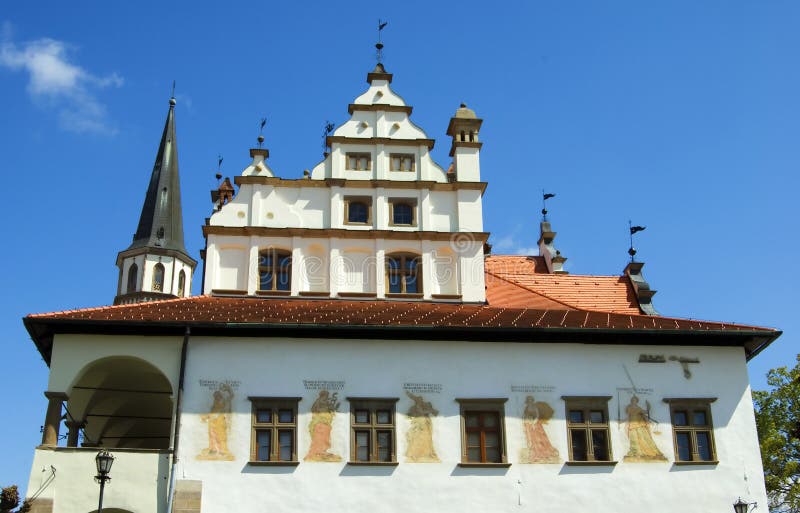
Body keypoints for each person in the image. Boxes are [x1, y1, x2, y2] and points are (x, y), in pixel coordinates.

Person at [624, 395, 666, 461]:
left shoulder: (638, 408)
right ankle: (636, 452)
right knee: (633, 439)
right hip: (631, 424)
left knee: (643, 438)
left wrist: (649, 407)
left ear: (636, 401)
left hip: (639, 424)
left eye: (634, 400)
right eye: (632, 400)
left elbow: (645, 412)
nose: (633, 401)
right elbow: (628, 414)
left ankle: (646, 451)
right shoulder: (629, 407)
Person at [198, 383, 234, 460]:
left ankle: (222, 450)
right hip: (212, 421)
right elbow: (212, 412)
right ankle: (213, 449)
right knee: (212, 435)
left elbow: (231, 396)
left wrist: (229, 389)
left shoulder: (224, 402)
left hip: (220, 421)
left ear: (219, 396)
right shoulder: (214, 404)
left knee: (220, 436)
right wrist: (205, 417)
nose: (216, 398)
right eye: (215, 397)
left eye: (217, 396)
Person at [520, 395, 559, 463]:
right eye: (528, 400)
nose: (529, 401)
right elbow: (524, 415)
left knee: (538, 438)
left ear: (532, 401)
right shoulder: (527, 407)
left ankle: (541, 453)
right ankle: (534, 453)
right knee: (531, 439)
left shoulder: (534, 407)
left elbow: (537, 415)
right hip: (528, 424)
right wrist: (525, 422)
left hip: (535, 425)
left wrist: (533, 423)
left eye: (530, 400)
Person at [305, 390, 342, 462]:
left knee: (325, 437)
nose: (326, 397)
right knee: (319, 437)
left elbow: (331, 409)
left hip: (326, 423)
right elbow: (313, 409)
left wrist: (332, 409)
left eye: (327, 396)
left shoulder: (327, 402)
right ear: (322, 396)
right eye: (325, 396)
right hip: (319, 422)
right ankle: (317, 451)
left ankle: (323, 450)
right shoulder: (318, 402)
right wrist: (322, 410)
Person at [405, 391, 439, 462]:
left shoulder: (426, 406)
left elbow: (434, 413)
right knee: (416, 439)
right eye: (418, 400)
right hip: (418, 424)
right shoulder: (415, 407)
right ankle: (415, 455)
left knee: (426, 439)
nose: (420, 401)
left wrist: (430, 411)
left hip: (425, 424)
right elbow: (410, 414)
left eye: (421, 400)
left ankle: (426, 454)